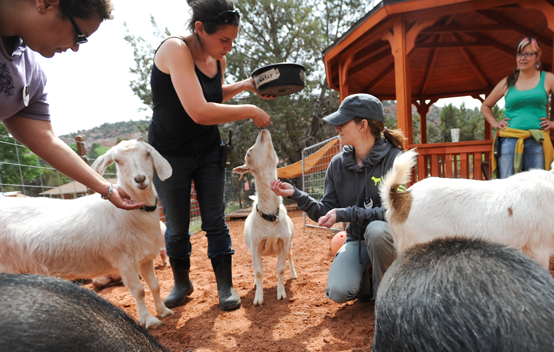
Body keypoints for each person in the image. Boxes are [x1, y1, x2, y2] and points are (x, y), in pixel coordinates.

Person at [149, 0, 270, 312]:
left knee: (215, 221)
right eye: (224, 40)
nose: (228, 47)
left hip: (207, 151)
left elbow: (211, 95)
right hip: (170, 154)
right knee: (176, 227)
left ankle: (224, 285)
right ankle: (182, 282)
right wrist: (250, 110)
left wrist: (244, 86)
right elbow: (200, 111)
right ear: (200, 29)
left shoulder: (217, 59)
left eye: (233, 40)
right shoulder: (175, 50)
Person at [0, 0, 143, 209]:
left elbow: (46, 139)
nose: (76, 47)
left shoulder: (30, 73)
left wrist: (107, 189)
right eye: (80, 36)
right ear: (46, 3)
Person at [270, 93, 403, 303]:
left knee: (376, 230)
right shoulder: (337, 164)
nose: (336, 128)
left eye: (342, 122)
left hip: (389, 240)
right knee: (338, 291)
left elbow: (395, 212)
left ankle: (386, 296)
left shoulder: (396, 159)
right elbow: (326, 210)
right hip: (356, 241)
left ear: (363, 125)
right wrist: (297, 195)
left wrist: (346, 213)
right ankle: (368, 280)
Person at [480, 37, 554, 179]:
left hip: (537, 140)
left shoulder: (548, 79)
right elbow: (485, 106)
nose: (522, 58)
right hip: (509, 141)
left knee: (536, 184)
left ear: (538, 56)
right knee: (507, 185)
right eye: (520, 54)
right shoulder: (507, 82)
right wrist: (495, 123)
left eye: (528, 54)